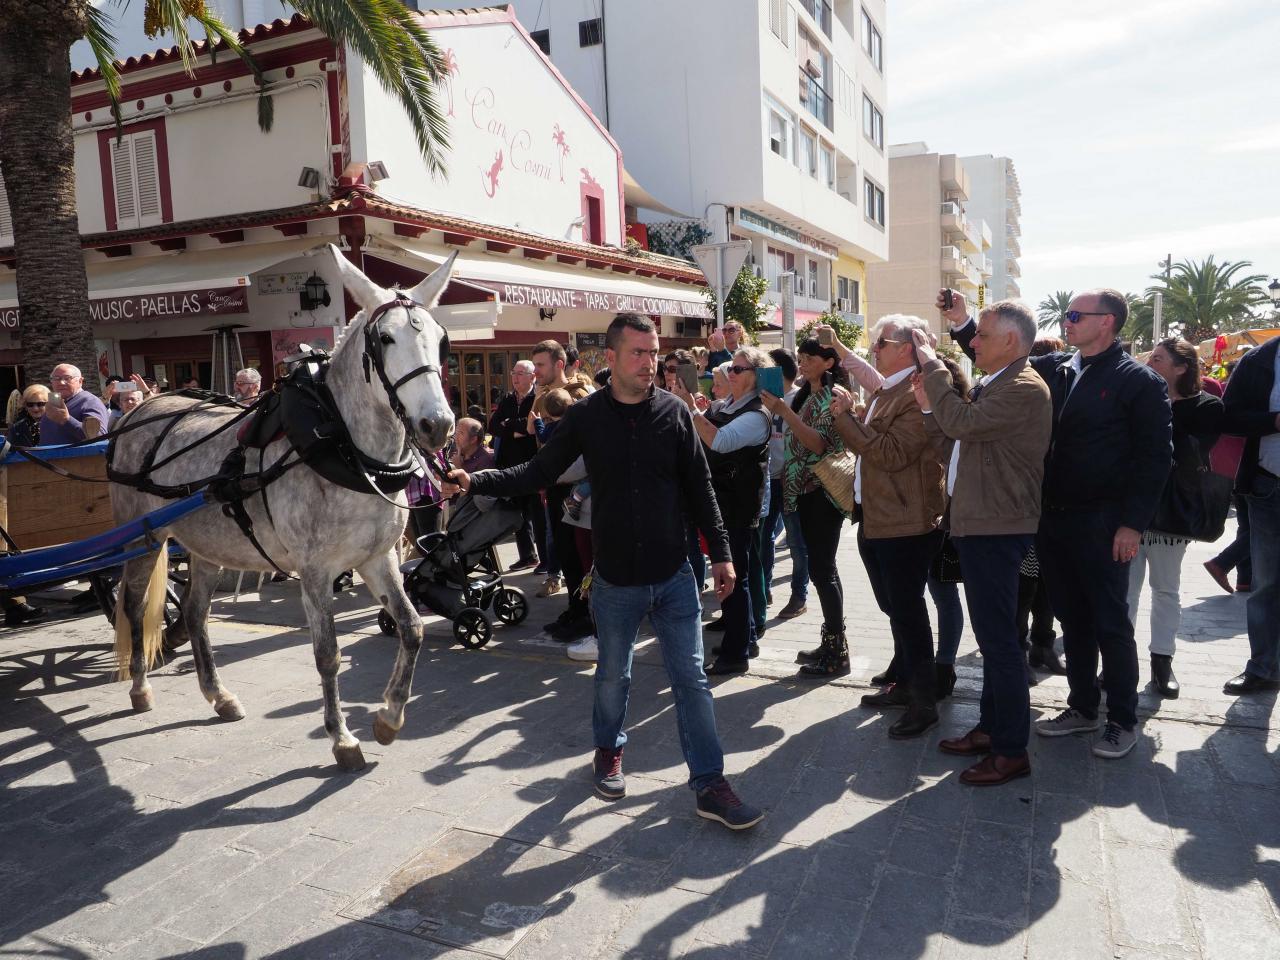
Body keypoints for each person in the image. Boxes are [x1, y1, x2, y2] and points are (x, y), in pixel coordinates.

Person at [445, 313, 762, 830]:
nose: (649, 362)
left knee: (692, 682)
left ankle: (709, 783)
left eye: (653, 352)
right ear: (610, 358)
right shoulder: (586, 416)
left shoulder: (675, 413)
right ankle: (609, 750)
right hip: (615, 580)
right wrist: (475, 480)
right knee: (614, 676)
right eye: (638, 352)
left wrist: (721, 553)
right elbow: (538, 471)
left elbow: (700, 486)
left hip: (675, 576)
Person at [945, 287, 1172, 760]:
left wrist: (1132, 524)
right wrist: (964, 323)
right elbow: (1004, 350)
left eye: (1075, 315)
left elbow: (1155, 459)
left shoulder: (1139, 381)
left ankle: (1122, 719)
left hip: (1105, 522)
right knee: (1073, 618)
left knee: (1111, 622)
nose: (1066, 322)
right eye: (1067, 316)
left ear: (1107, 321)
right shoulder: (1058, 368)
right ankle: (1083, 707)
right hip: (1051, 518)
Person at [911, 300, 1052, 784]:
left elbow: (962, 425)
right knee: (995, 640)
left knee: (1000, 643)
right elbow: (954, 444)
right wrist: (930, 408)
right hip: (983, 524)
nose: (972, 342)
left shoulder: (1024, 387)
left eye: (982, 335)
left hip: (998, 527)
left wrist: (932, 366)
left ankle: (1011, 751)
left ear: (1010, 341)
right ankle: (993, 730)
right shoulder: (1000, 383)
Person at [820, 322, 967, 697]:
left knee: (908, 611)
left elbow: (890, 454)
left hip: (906, 522)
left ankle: (921, 697)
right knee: (896, 608)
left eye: (881, 343)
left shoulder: (916, 390)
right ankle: (906, 681)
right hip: (878, 517)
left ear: (905, 348)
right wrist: (851, 418)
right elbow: (874, 448)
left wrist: (846, 418)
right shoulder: (887, 389)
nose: (873, 349)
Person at [1127, 338, 1224, 699]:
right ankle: (1120, 663)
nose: (1149, 363)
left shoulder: (1207, 406)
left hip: (1172, 512)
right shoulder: (1137, 399)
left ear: (1181, 367)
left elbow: (1189, 453)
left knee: (1165, 589)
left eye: (1158, 359)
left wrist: (1158, 411)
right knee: (1124, 591)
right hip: (1129, 510)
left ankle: (1162, 662)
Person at [674, 346, 773, 675]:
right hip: (724, 501)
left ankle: (736, 653)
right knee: (733, 576)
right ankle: (744, 639)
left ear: (755, 376)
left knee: (734, 578)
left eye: (738, 369)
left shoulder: (757, 414)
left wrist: (692, 409)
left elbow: (719, 440)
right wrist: (694, 407)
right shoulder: (729, 404)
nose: (731, 373)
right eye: (731, 368)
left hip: (737, 505)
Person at [760, 338, 852, 679]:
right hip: (802, 492)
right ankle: (831, 642)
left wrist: (785, 413)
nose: (802, 362)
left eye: (810, 357)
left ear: (829, 362)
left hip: (822, 493)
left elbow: (819, 444)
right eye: (801, 357)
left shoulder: (833, 395)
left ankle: (837, 651)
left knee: (823, 571)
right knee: (821, 571)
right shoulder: (805, 395)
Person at [1220, 332, 1280, 695]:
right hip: (1269, 485)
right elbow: (1229, 416)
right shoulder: (1259, 360)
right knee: (1266, 583)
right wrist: (1273, 422)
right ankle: (1263, 667)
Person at [531, 339, 594, 641]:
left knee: (577, 555)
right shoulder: (542, 396)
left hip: (574, 487)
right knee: (565, 553)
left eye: (540, 365)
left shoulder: (579, 396)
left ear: (559, 364)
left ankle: (584, 614)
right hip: (554, 484)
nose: (536, 371)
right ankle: (574, 608)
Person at [1017, 337, 1070, 679]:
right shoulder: (1024, 397)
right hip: (1024, 505)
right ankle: (1021, 647)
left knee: (1045, 579)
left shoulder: (1061, 401)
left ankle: (1042, 643)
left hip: (1052, 506)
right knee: (1025, 581)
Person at [761, 349, 807, 619]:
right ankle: (764, 588)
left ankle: (799, 595)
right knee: (764, 538)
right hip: (768, 478)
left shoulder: (800, 398)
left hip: (792, 480)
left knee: (797, 544)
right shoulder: (762, 398)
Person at [488, 361, 542, 571]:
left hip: (532, 462)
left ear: (532, 376)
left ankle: (546, 561)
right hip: (510, 463)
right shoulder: (508, 399)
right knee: (518, 513)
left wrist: (509, 423)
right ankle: (528, 556)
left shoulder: (537, 398)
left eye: (520, 373)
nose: (515, 377)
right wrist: (515, 428)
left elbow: (532, 428)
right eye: (513, 373)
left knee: (536, 512)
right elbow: (493, 426)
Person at [40, 364, 109, 444]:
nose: (61, 383)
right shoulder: (54, 402)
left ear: (80, 381)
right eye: (56, 378)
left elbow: (100, 437)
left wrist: (67, 420)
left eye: (67, 378)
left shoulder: (90, 402)